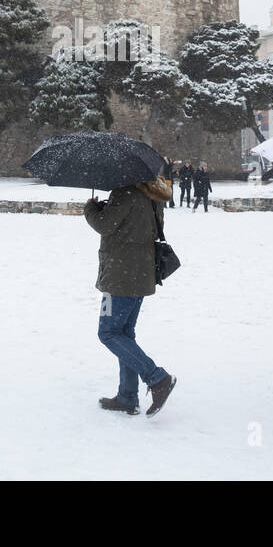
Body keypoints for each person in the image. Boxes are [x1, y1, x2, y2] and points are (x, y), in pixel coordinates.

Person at [84, 178, 178, 417]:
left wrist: (91, 209)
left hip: (119, 276)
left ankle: (157, 378)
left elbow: (105, 225)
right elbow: (136, 224)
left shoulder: (125, 193)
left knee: (108, 333)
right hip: (140, 273)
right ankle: (127, 397)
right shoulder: (154, 194)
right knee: (124, 334)